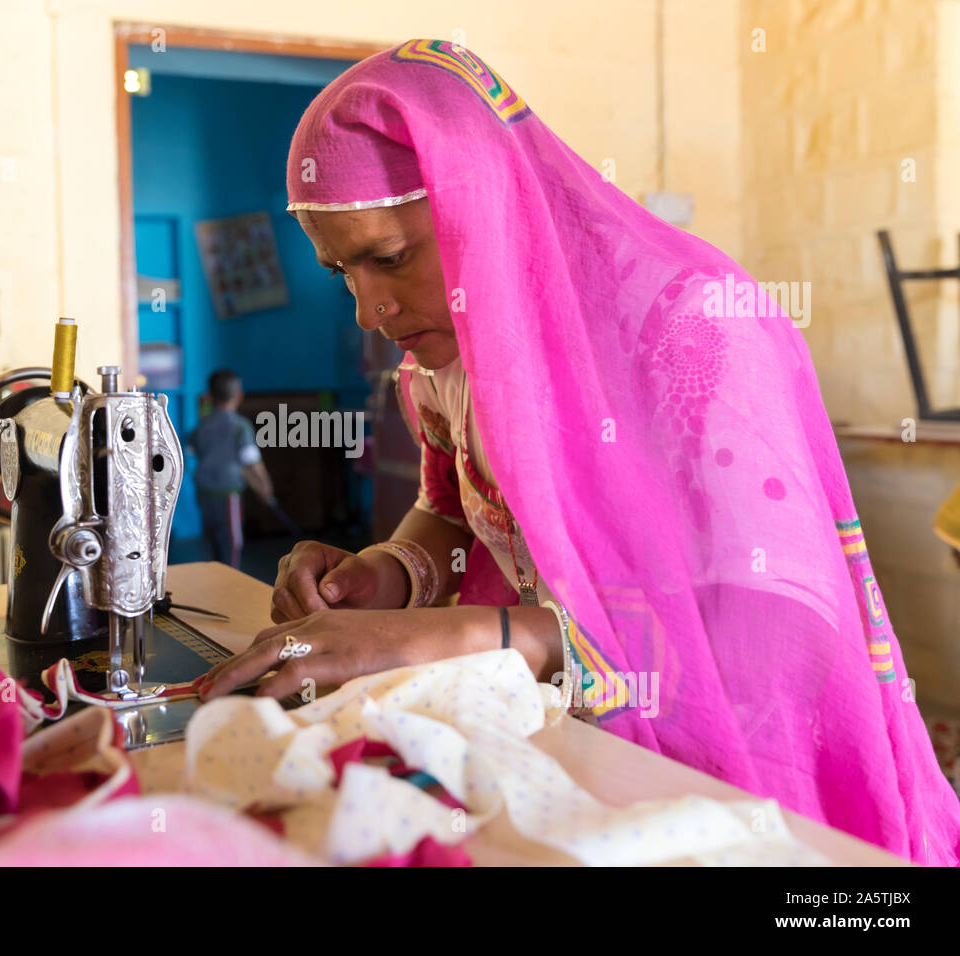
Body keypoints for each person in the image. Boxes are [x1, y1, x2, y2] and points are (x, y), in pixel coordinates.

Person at [196, 39, 960, 865]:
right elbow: (454, 510)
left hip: (742, 772)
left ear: (479, 199)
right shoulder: (445, 356)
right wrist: (388, 573)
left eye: (389, 258)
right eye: (343, 272)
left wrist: (455, 639)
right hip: (576, 741)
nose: (368, 311)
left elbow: (774, 630)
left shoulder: (693, 327)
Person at [187, 369, 274, 568]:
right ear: (238, 395)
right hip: (228, 495)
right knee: (232, 546)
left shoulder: (201, 426)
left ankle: (218, 588)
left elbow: (193, 450)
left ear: (210, 396)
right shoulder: (240, 426)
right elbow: (251, 461)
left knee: (215, 545)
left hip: (204, 494)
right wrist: (265, 487)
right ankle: (230, 590)